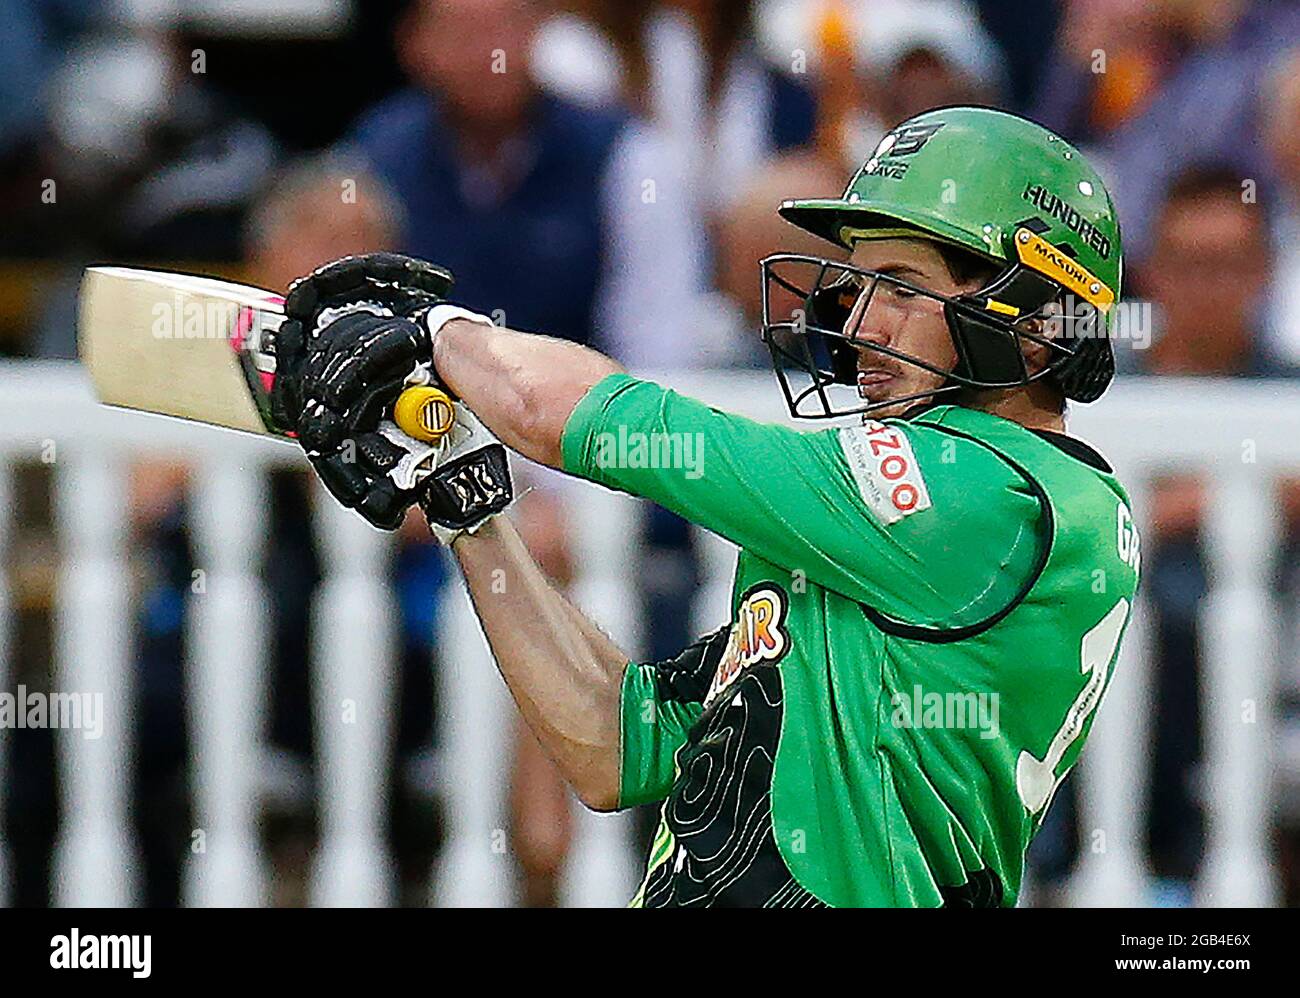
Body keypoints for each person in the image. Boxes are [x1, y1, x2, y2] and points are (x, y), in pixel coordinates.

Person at [271, 106, 1140, 907]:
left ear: (1032, 314)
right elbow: (618, 744)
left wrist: (434, 332)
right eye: (861, 286)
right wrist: (468, 508)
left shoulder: (989, 495)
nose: (861, 326)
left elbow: (604, 423)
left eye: (903, 287)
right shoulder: (895, 530)